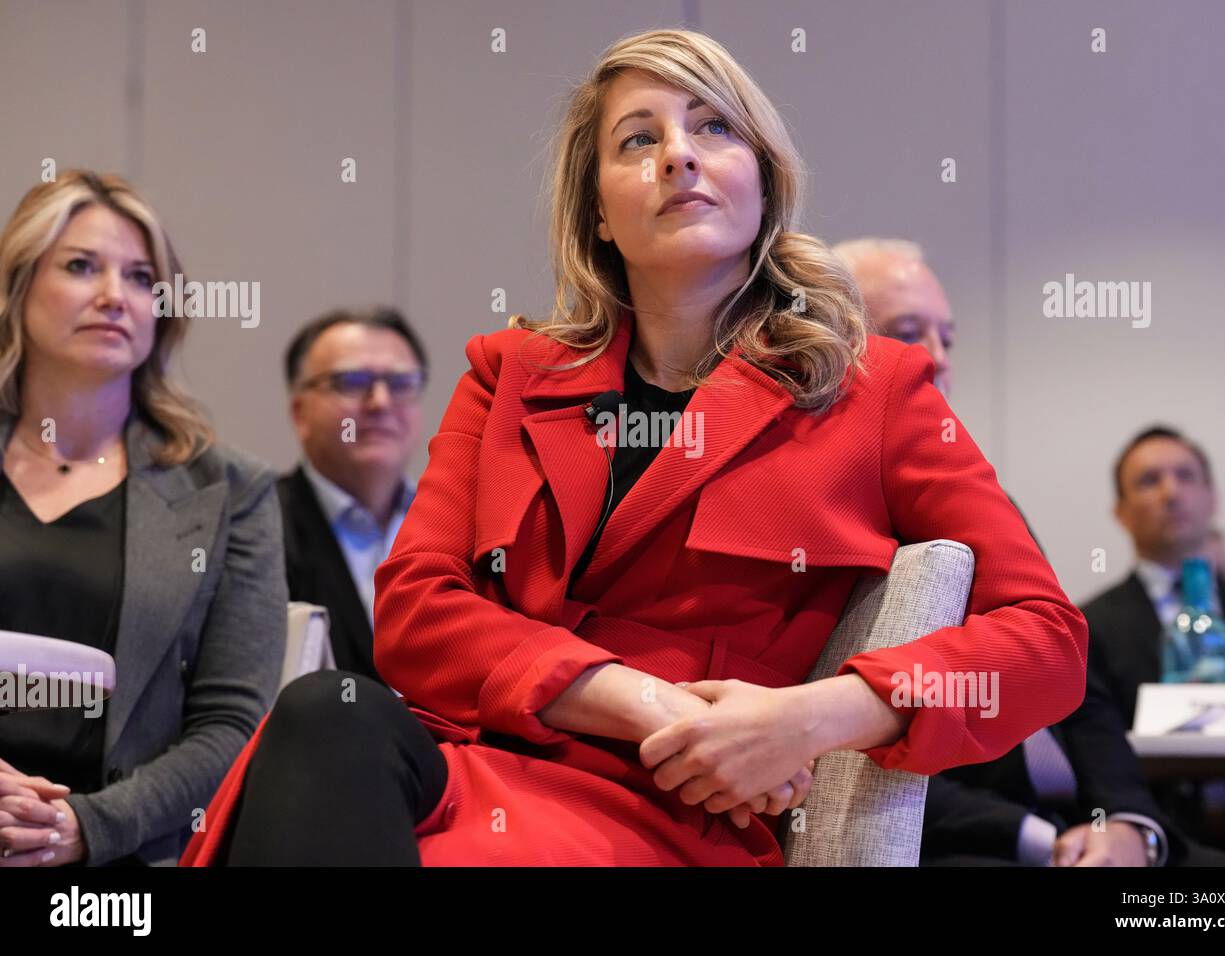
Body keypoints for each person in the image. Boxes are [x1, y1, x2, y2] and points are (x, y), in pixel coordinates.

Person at [182, 28, 1086, 867]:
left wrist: (814, 718)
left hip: (671, 814)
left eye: (713, 127)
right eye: (636, 140)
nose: (677, 154)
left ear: (763, 180)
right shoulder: (510, 374)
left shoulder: (874, 387)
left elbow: (1047, 643)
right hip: (464, 764)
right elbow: (415, 614)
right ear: (602, 215)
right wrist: (645, 700)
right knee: (321, 714)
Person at [835, 237, 1225, 866]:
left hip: (1086, 824)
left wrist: (1132, 826)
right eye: (910, 332)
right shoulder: (832, 512)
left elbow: (1077, 684)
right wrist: (1039, 839)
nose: (939, 361)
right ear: (834, 346)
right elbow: (850, 750)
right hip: (974, 838)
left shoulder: (982, 493)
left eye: (949, 337)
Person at [0, 170, 286, 866]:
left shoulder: (229, 490)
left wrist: (85, 827)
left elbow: (231, 726)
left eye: (138, 278)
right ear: (17, 291)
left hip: (124, 856)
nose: (113, 297)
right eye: (79, 267)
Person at [1082, 426, 1225, 863]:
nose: (1171, 492)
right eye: (1149, 481)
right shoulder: (1090, 628)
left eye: (1186, 475)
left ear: (1213, 498)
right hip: (1166, 839)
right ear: (1120, 512)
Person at [278, 306, 425, 681]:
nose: (380, 403)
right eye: (352, 382)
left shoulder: (458, 528)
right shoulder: (254, 526)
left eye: (400, 384)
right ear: (300, 413)